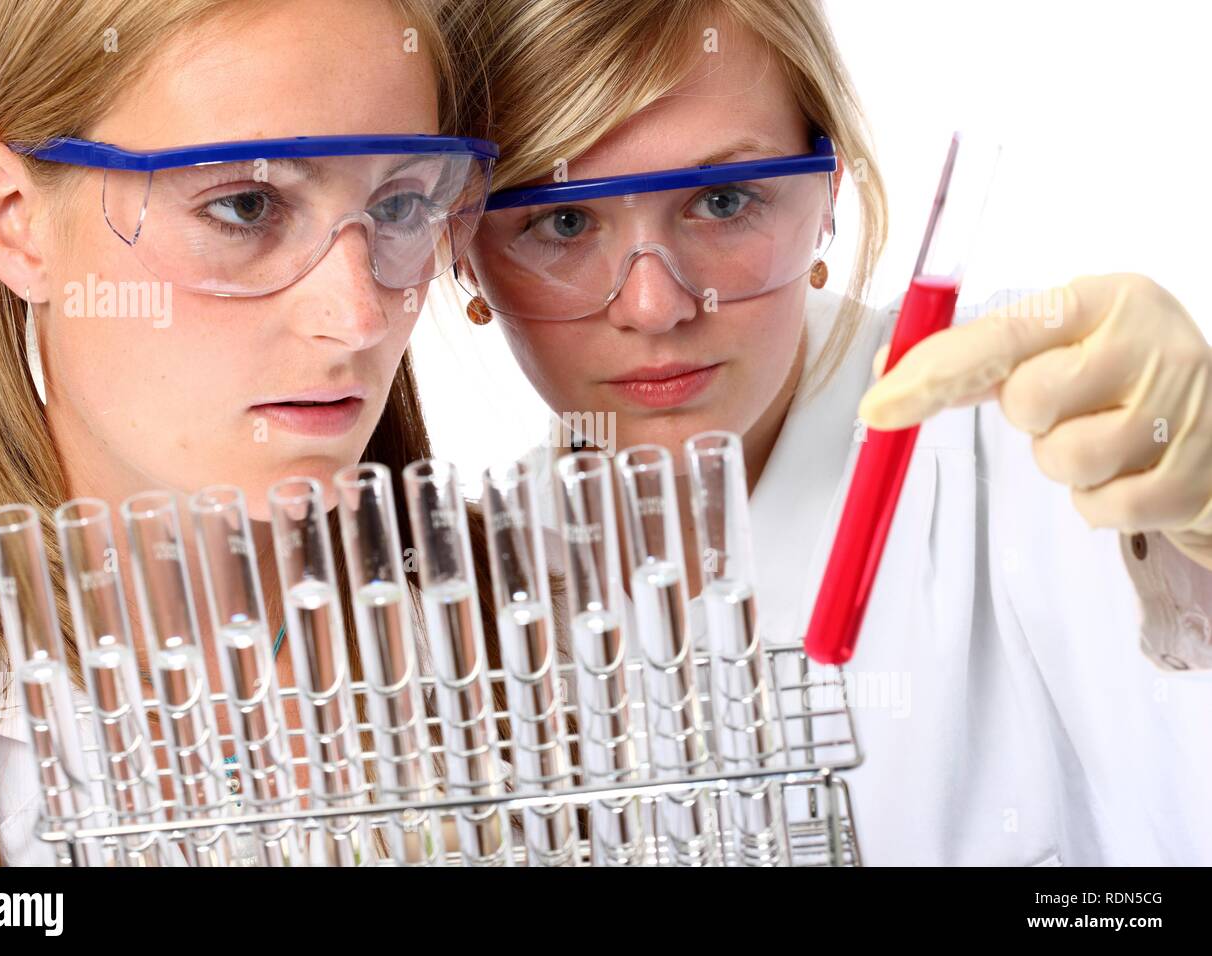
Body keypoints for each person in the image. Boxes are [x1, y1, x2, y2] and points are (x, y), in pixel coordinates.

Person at [444, 0, 1212, 864]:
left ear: (829, 193)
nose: (655, 307)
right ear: (462, 250)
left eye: (724, 200)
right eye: (564, 220)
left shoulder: (1012, 424)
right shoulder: (445, 600)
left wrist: (1202, 512)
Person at [0, 0, 502, 866]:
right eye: (247, 205)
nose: (358, 316)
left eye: (404, 205)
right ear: (11, 217)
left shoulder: (563, 643)